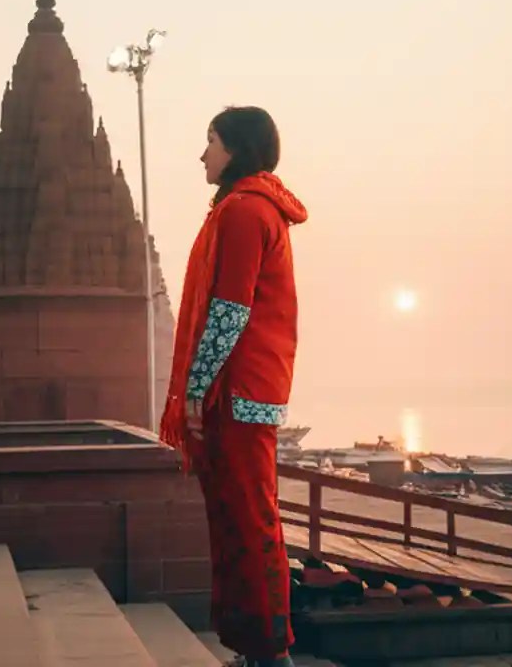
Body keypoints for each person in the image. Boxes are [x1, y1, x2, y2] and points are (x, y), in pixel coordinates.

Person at [160, 106, 308, 667]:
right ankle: (255, 650)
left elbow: (230, 309)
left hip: (238, 391)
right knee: (237, 520)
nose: (203, 154)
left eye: (212, 141)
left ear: (237, 149)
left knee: (249, 523)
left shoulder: (247, 211)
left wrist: (197, 389)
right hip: (244, 388)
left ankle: (272, 654)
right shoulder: (246, 207)